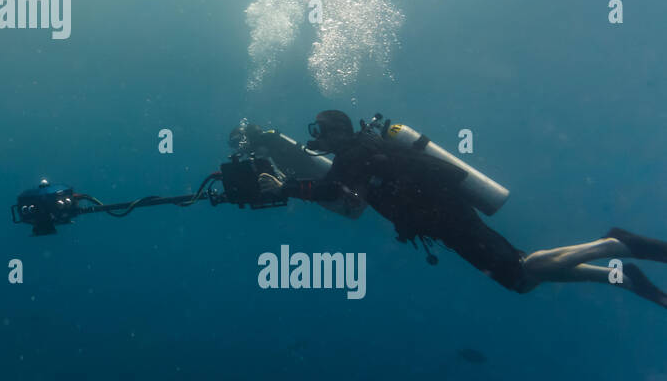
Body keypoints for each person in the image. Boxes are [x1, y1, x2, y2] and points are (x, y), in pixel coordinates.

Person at [257, 110, 667, 307]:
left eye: (316, 132)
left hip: (445, 219)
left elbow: (329, 188)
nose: (315, 139)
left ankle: (612, 246)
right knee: (519, 280)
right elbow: (352, 194)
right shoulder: (366, 149)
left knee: (522, 268)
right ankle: (619, 277)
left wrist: (283, 186)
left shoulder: (351, 151)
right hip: (445, 218)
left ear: (330, 132)